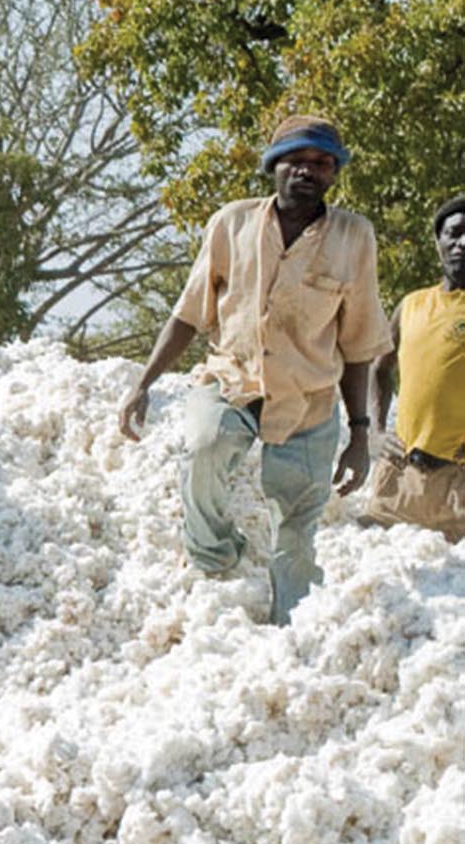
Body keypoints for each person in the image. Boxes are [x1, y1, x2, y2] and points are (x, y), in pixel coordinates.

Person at [118, 114, 392, 624]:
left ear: (333, 174)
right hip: (231, 379)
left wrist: (359, 433)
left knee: (296, 525)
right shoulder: (232, 223)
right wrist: (142, 384)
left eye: (322, 163)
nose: (308, 171)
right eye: (297, 160)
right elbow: (189, 312)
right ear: (274, 166)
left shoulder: (354, 237)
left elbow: (357, 345)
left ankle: (293, 624)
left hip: (308, 397)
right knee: (205, 444)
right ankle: (214, 554)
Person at [363, 194, 465, 540]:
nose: (462, 243)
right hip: (400, 477)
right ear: (438, 242)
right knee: (373, 579)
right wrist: (375, 432)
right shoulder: (411, 305)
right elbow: (379, 368)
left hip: (459, 484)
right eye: (454, 233)